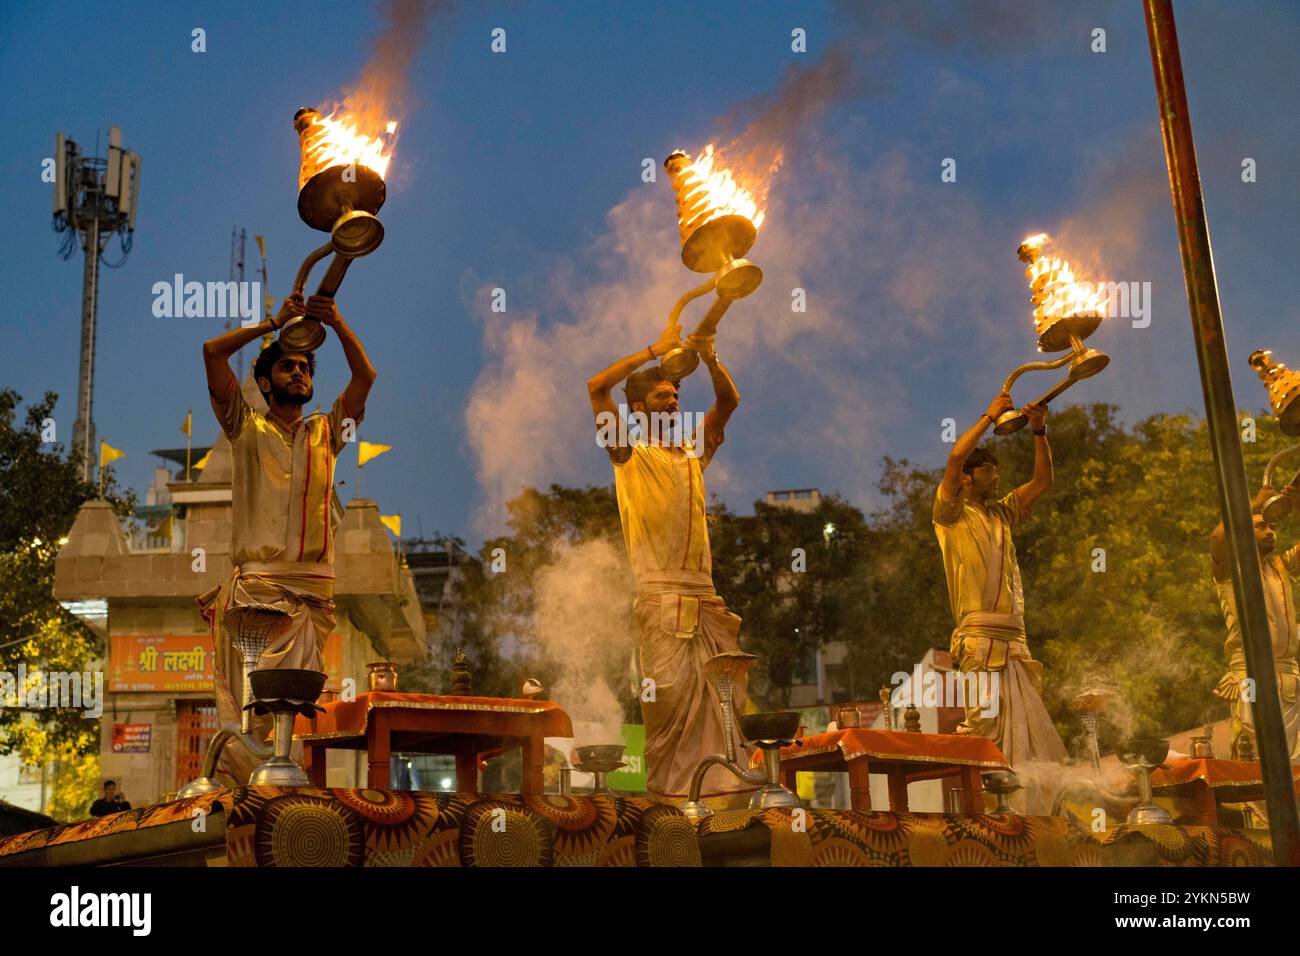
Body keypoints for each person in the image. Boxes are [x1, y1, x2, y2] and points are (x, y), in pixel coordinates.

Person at [199, 294, 376, 784]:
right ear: (264, 381)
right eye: (287, 366)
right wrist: (271, 324)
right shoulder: (244, 427)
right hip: (256, 596)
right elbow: (213, 351)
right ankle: (244, 805)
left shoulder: (328, 434)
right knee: (249, 715)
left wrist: (336, 322)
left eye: (304, 367)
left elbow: (365, 379)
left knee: (291, 711)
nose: (298, 373)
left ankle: (282, 794)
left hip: (311, 596)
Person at [586, 324, 753, 806]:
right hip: (660, 603)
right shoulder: (627, 454)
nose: (672, 403)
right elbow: (596, 387)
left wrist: (710, 355)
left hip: (706, 603)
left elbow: (729, 403)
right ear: (637, 409)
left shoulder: (693, 456)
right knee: (669, 706)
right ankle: (672, 808)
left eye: (675, 395)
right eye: (662, 396)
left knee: (723, 707)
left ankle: (721, 799)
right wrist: (656, 350)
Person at [932, 391, 1067, 776]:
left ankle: (1028, 806)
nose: (997, 476)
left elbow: (1044, 480)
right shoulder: (951, 514)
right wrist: (989, 417)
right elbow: (956, 456)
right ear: (966, 479)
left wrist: (1039, 430)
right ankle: (990, 809)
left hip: (1015, 642)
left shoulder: (1003, 514)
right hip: (979, 641)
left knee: (1028, 730)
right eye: (989, 470)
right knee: (985, 727)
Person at [1209, 484, 1300, 760]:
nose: (1271, 531)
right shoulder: (1228, 567)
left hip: (1289, 680)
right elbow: (1217, 537)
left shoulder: (1280, 566)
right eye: (1261, 526)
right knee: (1254, 769)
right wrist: (1253, 504)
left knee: (1295, 769)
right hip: (1251, 676)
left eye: (1272, 527)